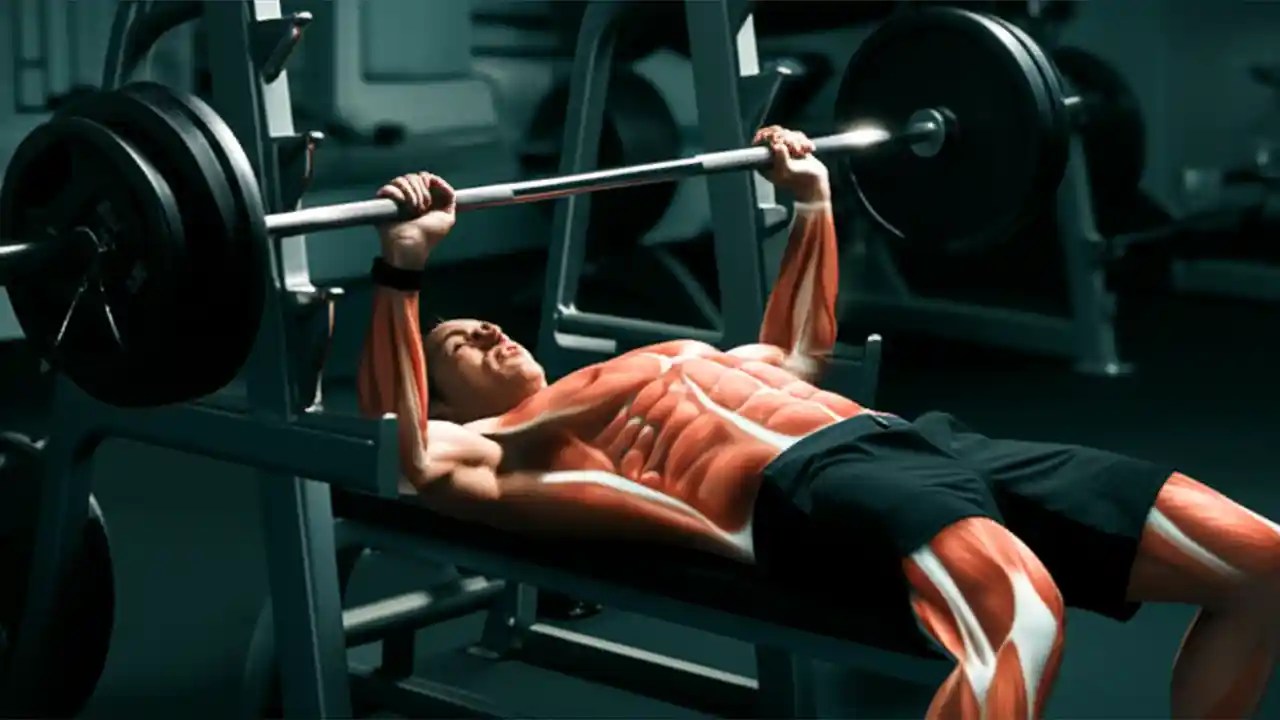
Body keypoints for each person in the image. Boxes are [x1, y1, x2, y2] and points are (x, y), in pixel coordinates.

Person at [356, 126, 1280, 719]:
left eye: (483, 321)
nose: (482, 328)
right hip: (815, 487)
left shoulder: (671, 361)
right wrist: (402, 272)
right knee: (1021, 622)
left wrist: (812, 202)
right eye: (455, 343)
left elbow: (796, 356)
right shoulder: (514, 446)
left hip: (924, 441)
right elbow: (401, 447)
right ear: (442, 395)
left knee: (1261, 564)